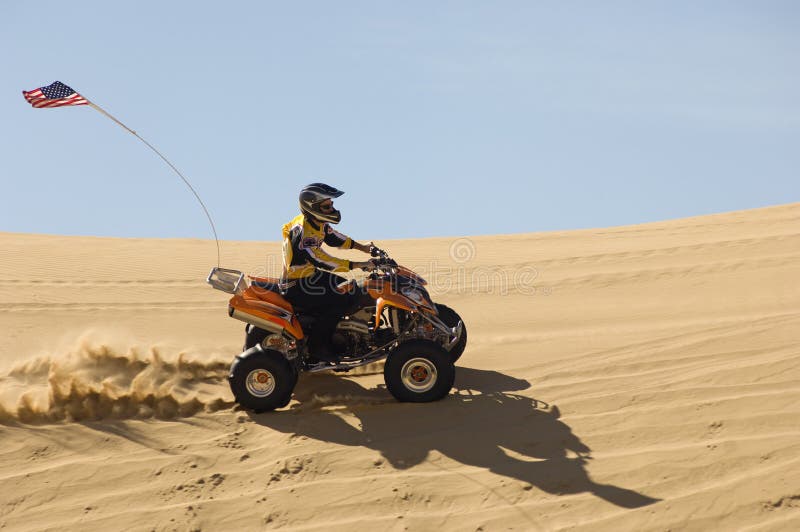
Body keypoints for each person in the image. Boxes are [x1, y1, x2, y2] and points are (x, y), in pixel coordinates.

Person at [281, 183, 376, 362]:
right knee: (338, 301)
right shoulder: (303, 232)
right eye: (326, 206)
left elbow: (334, 238)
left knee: (352, 288)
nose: (332, 208)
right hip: (297, 285)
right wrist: (358, 264)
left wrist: (363, 248)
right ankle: (318, 347)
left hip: (310, 276)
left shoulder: (318, 223)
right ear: (312, 207)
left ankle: (349, 332)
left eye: (331, 204)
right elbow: (322, 260)